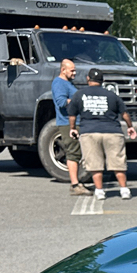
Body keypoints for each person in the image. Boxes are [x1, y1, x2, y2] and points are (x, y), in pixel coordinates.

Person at [66, 67, 137, 200]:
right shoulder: (112, 95)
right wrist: (130, 127)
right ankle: (124, 189)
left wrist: (73, 128)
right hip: (113, 132)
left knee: (95, 164)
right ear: (102, 81)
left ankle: (99, 191)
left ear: (88, 79)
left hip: (89, 132)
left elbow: (72, 114)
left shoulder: (79, 94)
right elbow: (124, 113)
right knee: (118, 162)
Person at [51, 59, 87, 194]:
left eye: (74, 70)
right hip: (67, 123)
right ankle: (75, 185)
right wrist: (78, 102)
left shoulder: (68, 83)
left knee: (77, 152)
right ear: (63, 70)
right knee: (72, 153)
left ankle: (78, 183)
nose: (75, 73)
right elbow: (61, 102)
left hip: (76, 122)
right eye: (72, 70)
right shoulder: (59, 83)